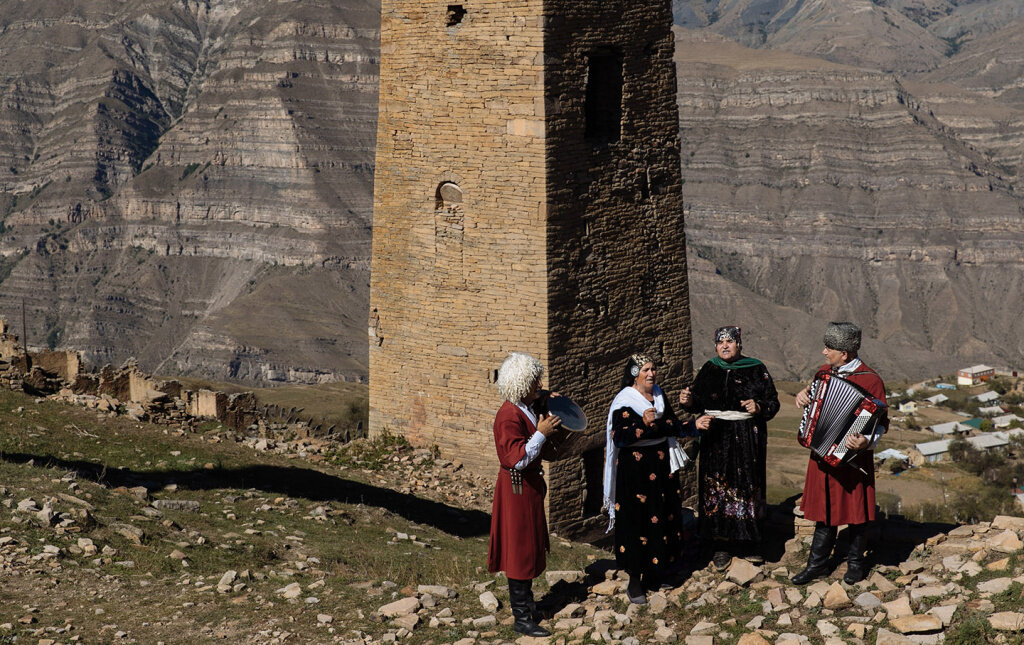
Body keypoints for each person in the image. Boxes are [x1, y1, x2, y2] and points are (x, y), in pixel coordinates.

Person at [791, 322, 887, 585]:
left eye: (829, 348)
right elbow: (813, 402)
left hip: (854, 457)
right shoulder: (823, 373)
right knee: (825, 512)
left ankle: (855, 563)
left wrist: (865, 441)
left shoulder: (871, 380)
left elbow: (881, 423)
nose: (824, 352)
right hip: (822, 454)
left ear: (844, 353)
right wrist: (802, 396)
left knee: (857, 512)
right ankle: (817, 565)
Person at [678, 326, 780, 571]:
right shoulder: (710, 369)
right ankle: (720, 544)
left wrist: (758, 407)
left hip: (746, 437)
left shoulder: (756, 369)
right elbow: (698, 402)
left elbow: (773, 402)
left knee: (747, 484)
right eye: (720, 342)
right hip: (715, 438)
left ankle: (749, 542)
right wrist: (689, 402)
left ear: (739, 345)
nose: (725, 346)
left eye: (730, 342)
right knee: (717, 487)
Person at [604, 353, 697, 604]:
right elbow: (619, 437)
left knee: (662, 513)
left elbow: (670, 424)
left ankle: (658, 571)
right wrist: (644, 426)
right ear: (635, 374)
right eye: (645, 369)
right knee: (637, 520)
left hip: (660, 464)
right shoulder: (624, 401)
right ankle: (635, 582)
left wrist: (695, 426)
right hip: (634, 471)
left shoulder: (658, 394)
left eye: (653, 368)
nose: (651, 373)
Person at [487, 352, 565, 637]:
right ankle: (521, 618)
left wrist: (546, 396)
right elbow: (515, 459)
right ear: (521, 384)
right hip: (516, 488)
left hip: (528, 487)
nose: (540, 384)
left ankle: (529, 605)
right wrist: (542, 433)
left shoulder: (528, 404)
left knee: (530, 543)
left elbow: (540, 398)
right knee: (519, 549)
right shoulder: (508, 416)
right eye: (534, 381)